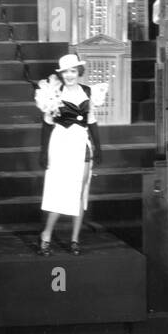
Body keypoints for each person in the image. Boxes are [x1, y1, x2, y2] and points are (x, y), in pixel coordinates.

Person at [35, 53, 101, 255]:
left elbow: (91, 121)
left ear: (78, 72)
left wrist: (99, 147)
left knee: (80, 192)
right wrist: (43, 152)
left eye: (73, 71)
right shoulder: (53, 92)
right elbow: (46, 125)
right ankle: (46, 235)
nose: (70, 75)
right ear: (61, 74)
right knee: (59, 190)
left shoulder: (89, 92)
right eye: (66, 72)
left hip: (81, 143)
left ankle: (75, 239)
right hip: (60, 143)